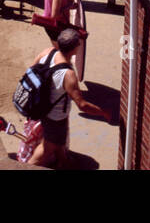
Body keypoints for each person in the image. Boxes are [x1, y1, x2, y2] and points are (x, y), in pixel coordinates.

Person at [26, 29, 107, 169]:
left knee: (59, 142)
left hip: (42, 109)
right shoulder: (68, 74)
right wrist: (104, 113)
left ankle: (64, 162)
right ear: (75, 48)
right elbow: (82, 105)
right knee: (47, 149)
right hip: (56, 117)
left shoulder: (47, 52)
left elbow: (31, 71)